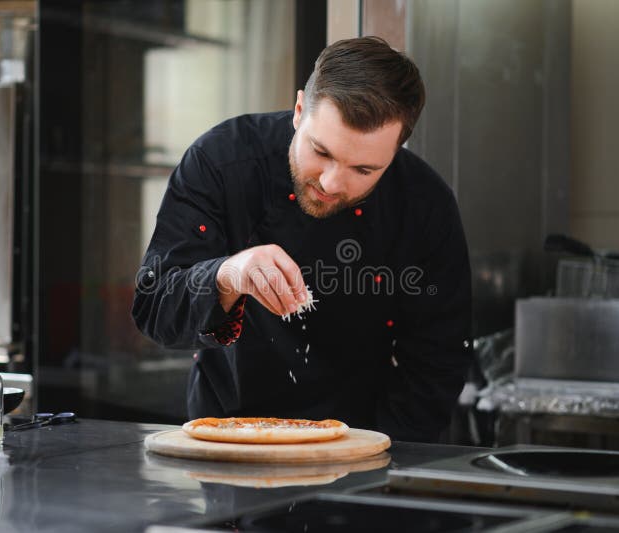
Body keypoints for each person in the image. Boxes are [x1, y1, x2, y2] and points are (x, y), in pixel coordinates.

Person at [133, 36, 472, 442]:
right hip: (229, 434)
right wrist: (225, 276)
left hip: (363, 441)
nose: (332, 183)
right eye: (321, 152)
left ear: (395, 151)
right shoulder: (222, 161)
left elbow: (438, 361)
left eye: (363, 170)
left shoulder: (424, 204)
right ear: (298, 111)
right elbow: (153, 307)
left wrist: (380, 456)